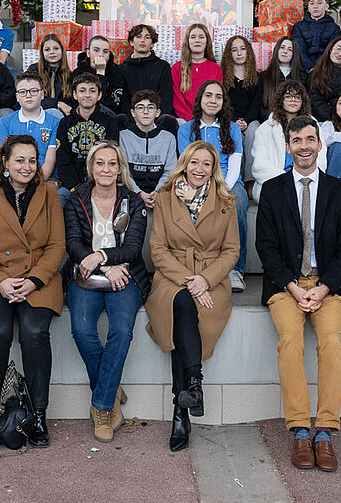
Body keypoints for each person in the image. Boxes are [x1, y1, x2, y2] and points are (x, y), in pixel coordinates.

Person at [256, 115, 341, 473]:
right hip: (287, 285)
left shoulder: (339, 189)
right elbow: (266, 248)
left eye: (310, 139)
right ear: (288, 147)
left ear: (320, 144)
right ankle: (300, 429)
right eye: (296, 140)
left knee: (330, 341)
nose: (304, 146)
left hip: (328, 285)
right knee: (291, 340)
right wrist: (294, 287)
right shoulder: (273, 189)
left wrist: (325, 286)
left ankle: (325, 431)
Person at [0, 134, 65, 450]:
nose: (26, 166)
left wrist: (34, 280)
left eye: (32, 161)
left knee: (35, 334)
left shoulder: (49, 194)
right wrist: (0, 281)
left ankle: (38, 415)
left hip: (37, 279)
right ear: (5, 163)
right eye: (19, 160)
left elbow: (57, 246)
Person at [145, 141, 239, 452]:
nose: (199, 169)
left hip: (212, 275)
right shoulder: (166, 198)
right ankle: (194, 385)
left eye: (207, 164)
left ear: (215, 170)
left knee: (184, 312)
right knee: (180, 303)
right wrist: (190, 280)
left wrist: (205, 279)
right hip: (173, 273)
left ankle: (180, 409)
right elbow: (157, 250)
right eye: (194, 162)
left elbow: (232, 251)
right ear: (184, 164)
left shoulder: (227, 201)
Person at [63, 142, 150, 443]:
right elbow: (73, 244)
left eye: (112, 164)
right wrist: (102, 267)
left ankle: (101, 406)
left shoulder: (133, 201)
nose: (106, 169)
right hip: (85, 277)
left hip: (125, 276)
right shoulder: (76, 200)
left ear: (120, 168)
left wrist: (102, 258)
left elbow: (134, 249)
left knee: (122, 331)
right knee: (81, 330)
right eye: (100, 163)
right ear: (91, 167)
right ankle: (110, 388)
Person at [177, 80, 249, 292]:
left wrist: (221, 188)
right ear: (200, 99)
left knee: (238, 202)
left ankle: (236, 269)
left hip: (228, 182)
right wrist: (201, 186)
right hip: (195, 179)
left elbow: (235, 165)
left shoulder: (233, 129)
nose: (213, 100)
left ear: (223, 102)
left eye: (218, 97)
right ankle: (190, 264)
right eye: (208, 95)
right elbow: (186, 163)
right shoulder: (186, 129)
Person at [251, 81, 325, 202]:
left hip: (306, 181)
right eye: (288, 96)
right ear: (281, 99)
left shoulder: (313, 125)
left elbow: (321, 159)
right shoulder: (264, 129)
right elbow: (259, 165)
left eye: (297, 96)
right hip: (276, 182)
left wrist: (302, 179)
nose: (293, 100)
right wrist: (287, 180)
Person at [54, 72, 120, 203]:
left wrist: (96, 185)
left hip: (101, 182)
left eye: (92, 91)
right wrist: (76, 187)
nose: (87, 95)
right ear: (75, 94)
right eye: (82, 91)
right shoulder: (65, 123)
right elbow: (63, 159)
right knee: (58, 199)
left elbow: (112, 158)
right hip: (72, 184)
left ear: (99, 95)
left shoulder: (110, 122)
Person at [0, 72, 61, 181]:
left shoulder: (55, 122)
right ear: (17, 97)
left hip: (43, 179)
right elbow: (1, 157)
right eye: (22, 92)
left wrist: (36, 183)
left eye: (34, 91)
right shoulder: (5, 122)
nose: (28, 95)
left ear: (42, 94)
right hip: (12, 180)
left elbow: (50, 160)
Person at [119, 90, 177, 209]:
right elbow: (124, 171)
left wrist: (157, 192)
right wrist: (139, 193)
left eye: (151, 107)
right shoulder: (123, 136)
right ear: (133, 112)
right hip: (131, 194)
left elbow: (170, 171)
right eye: (140, 108)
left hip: (160, 195)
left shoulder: (168, 138)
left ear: (157, 112)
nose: (146, 112)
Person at [117, 24, 177, 133]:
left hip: (157, 119)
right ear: (131, 42)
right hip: (131, 119)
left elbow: (166, 98)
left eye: (147, 37)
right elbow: (122, 100)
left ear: (152, 44)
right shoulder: (122, 69)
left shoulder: (162, 67)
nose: (142, 40)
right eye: (138, 36)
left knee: (169, 120)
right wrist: (136, 119)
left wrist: (152, 118)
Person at [220, 35, 263, 183]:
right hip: (229, 119)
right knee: (233, 131)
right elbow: (223, 104)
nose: (239, 53)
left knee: (253, 130)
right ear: (228, 54)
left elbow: (256, 105)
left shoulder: (257, 78)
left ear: (248, 52)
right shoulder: (223, 77)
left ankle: (250, 180)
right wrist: (233, 121)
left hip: (250, 120)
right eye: (234, 50)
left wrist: (246, 121)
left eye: (243, 49)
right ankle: (236, 178)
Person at [171, 23, 222, 121]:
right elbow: (177, 99)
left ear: (207, 42)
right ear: (187, 42)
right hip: (183, 120)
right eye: (193, 37)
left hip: (208, 119)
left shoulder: (216, 69)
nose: (197, 40)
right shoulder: (177, 68)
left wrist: (205, 120)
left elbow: (217, 98)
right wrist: (191, 120)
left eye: (201, 37)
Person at [291, 0, 341, 71]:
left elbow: (331, 51)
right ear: (308, 8)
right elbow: (300, 50)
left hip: (325, 67)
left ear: (327, 7)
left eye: (319, 3)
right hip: (304, 67)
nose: (315, 6)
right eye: (312, 3)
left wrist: (318, 68)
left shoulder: (334, 28)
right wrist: (310, 67)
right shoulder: (299, 26)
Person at [72, 35, 124, 114]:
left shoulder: (116, 72)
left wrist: (101, 72)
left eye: (105, 52)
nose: (101, 55)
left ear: (109, 55)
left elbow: (111, 104)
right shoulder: (78, 72)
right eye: (96, 50)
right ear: (88, 53)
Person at [259, 36, 307, 116]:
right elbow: (259, 105)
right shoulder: (263, 76)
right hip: (269, 120)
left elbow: (306, 104)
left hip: (296, 121)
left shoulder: (303, 77)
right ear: (277, 50)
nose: (285, 51)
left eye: (290, 49)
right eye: (282, 47)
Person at [27, 33, 72, 118]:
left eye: (56, 48)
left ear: (62, 50)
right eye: (47, 49)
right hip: (36, 112)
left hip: (62, 115)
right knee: (54, 113)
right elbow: (31, 98)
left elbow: (69, 103)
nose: (52, 52)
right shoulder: (33, 70)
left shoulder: (69, 74)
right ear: (42, 53)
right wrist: (57, 103)